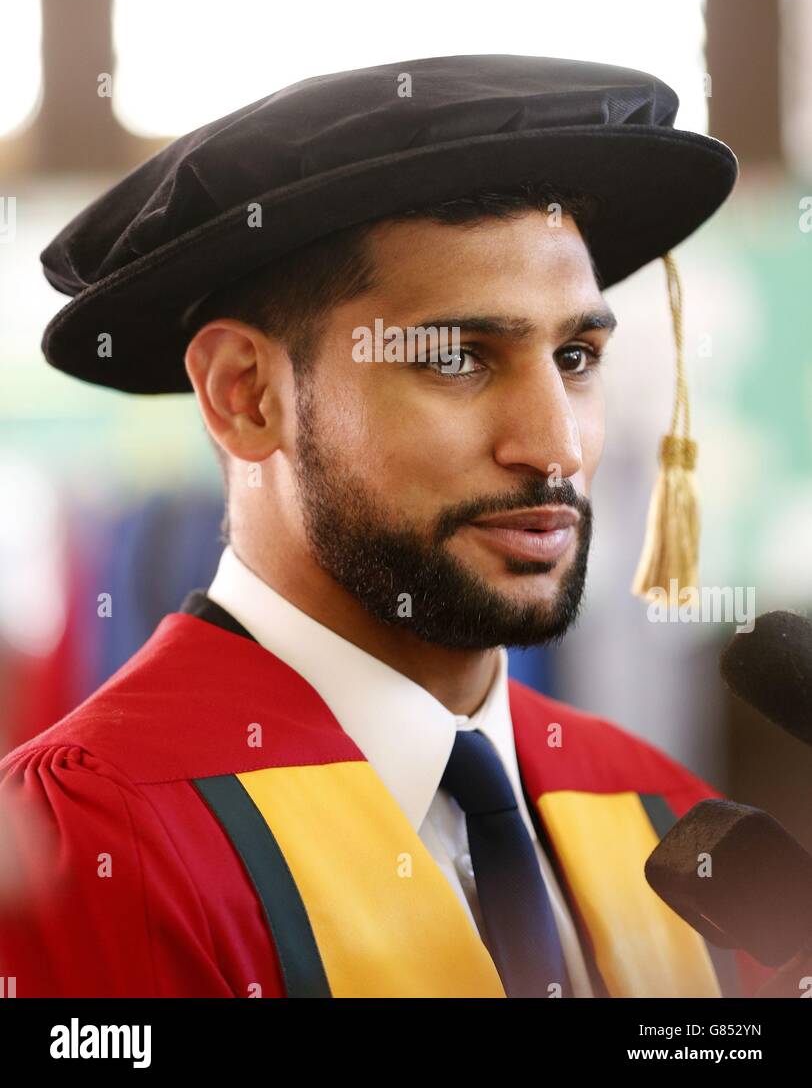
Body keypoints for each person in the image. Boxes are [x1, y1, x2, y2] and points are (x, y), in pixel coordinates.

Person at [0, 55, 770, 997]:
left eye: (575, 357)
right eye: (457, 359)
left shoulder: (658, 810)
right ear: (246, 395)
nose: (557, 448)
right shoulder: (101, 838)